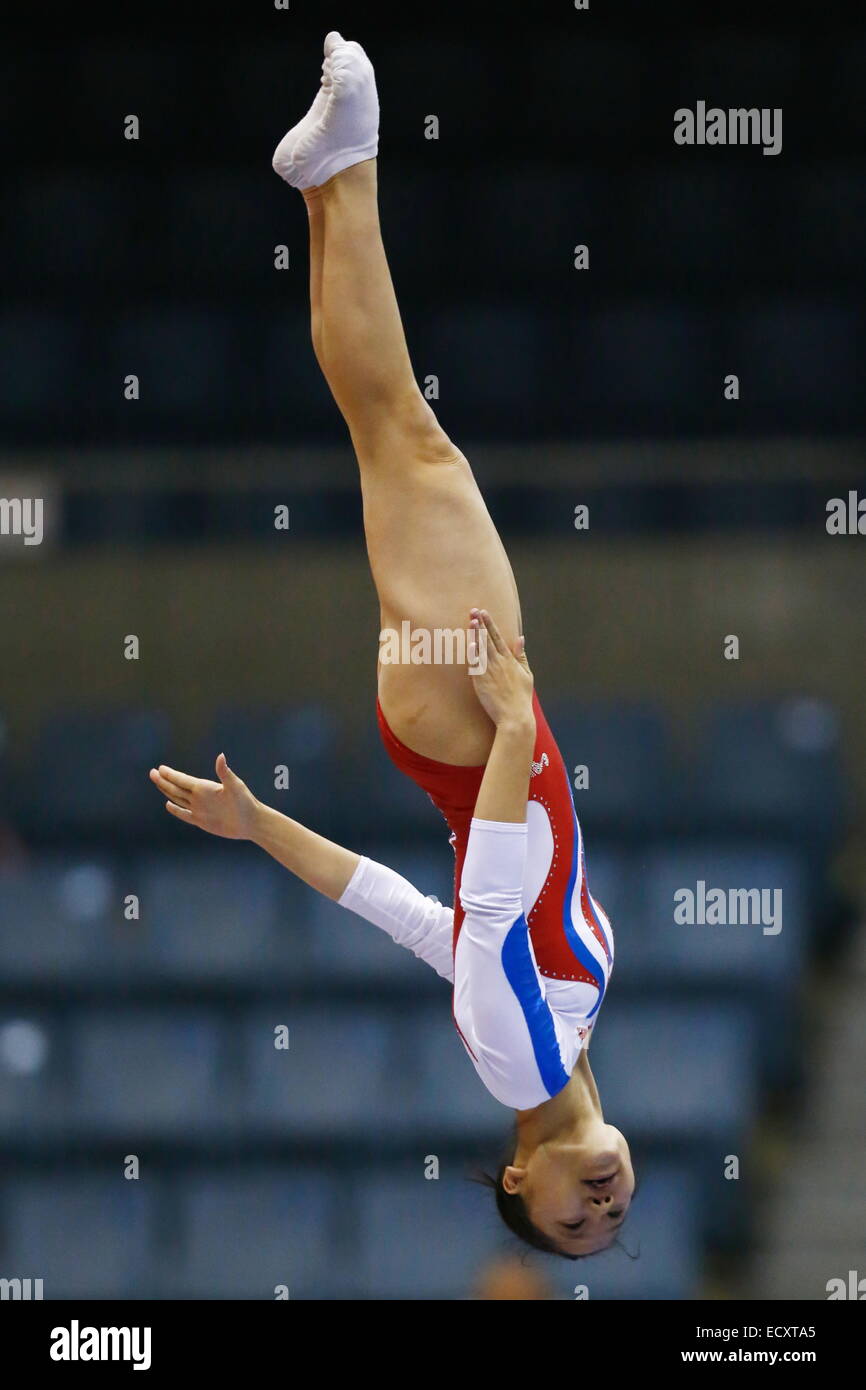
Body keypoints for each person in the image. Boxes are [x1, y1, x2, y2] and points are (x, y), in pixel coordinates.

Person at [149, 31, 634, 1258]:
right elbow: (405, 911)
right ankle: (325, 179)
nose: (604, 1203)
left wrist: (516, 722)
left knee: (406, 435)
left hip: (473, 727)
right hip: (459, 740)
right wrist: (261, 828)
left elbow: (481, 896)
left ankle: (349, 161)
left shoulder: (519, 1049)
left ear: (517, 1180)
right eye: (614, 1216)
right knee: (390, 432)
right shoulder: (538, 1044)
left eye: (574, 1219)